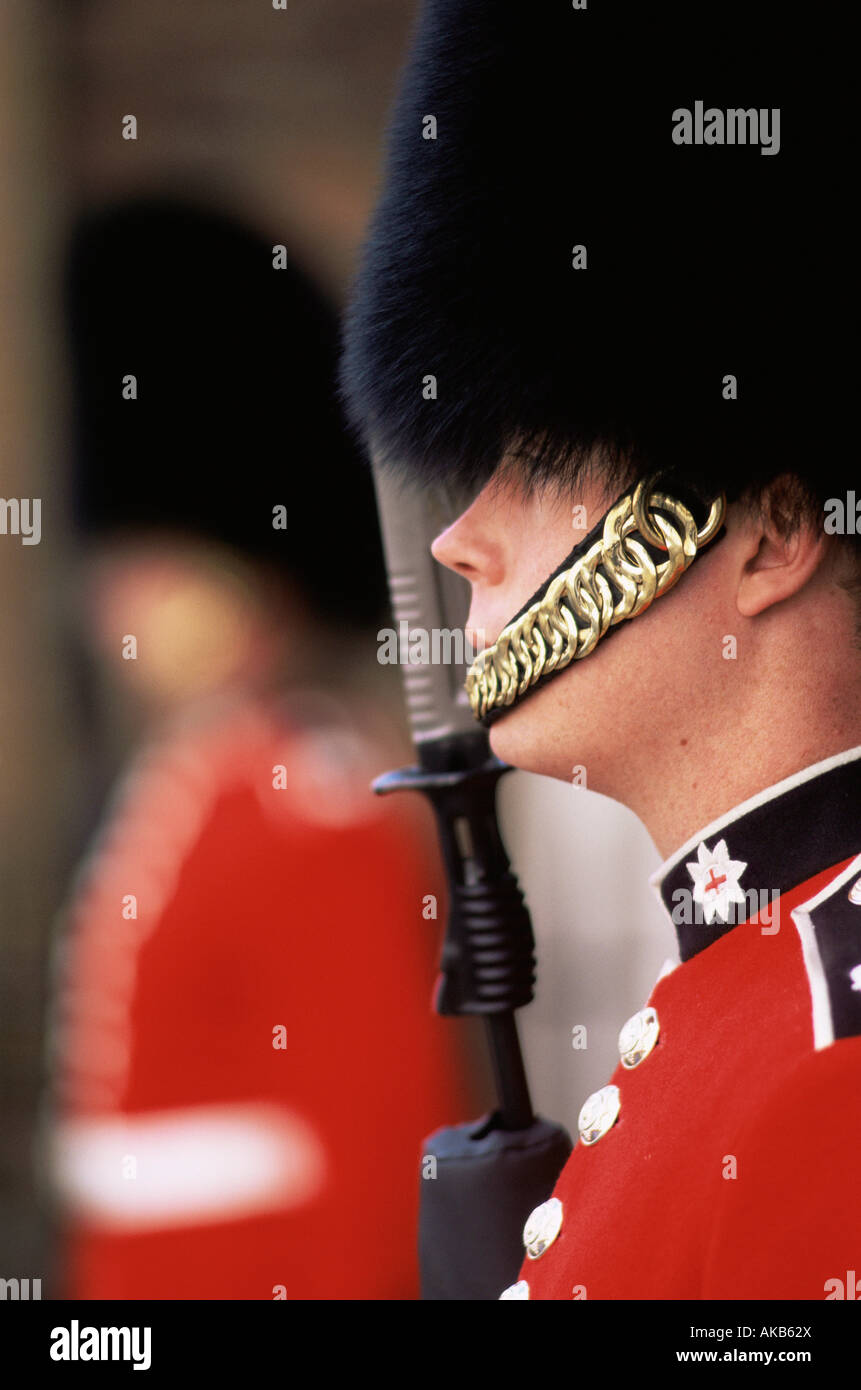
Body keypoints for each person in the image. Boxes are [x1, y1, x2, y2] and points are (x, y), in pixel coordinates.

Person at [340, 0, 860, 1298]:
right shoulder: (741, 996)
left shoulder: (830, 1053)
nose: (459, 536)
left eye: (536, 459)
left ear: (768, 533)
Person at [49, 195, 478, 1300]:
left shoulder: (315, 799)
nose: (117, 599)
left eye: (161, 559)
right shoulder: (196, 779)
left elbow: (385, 1148)